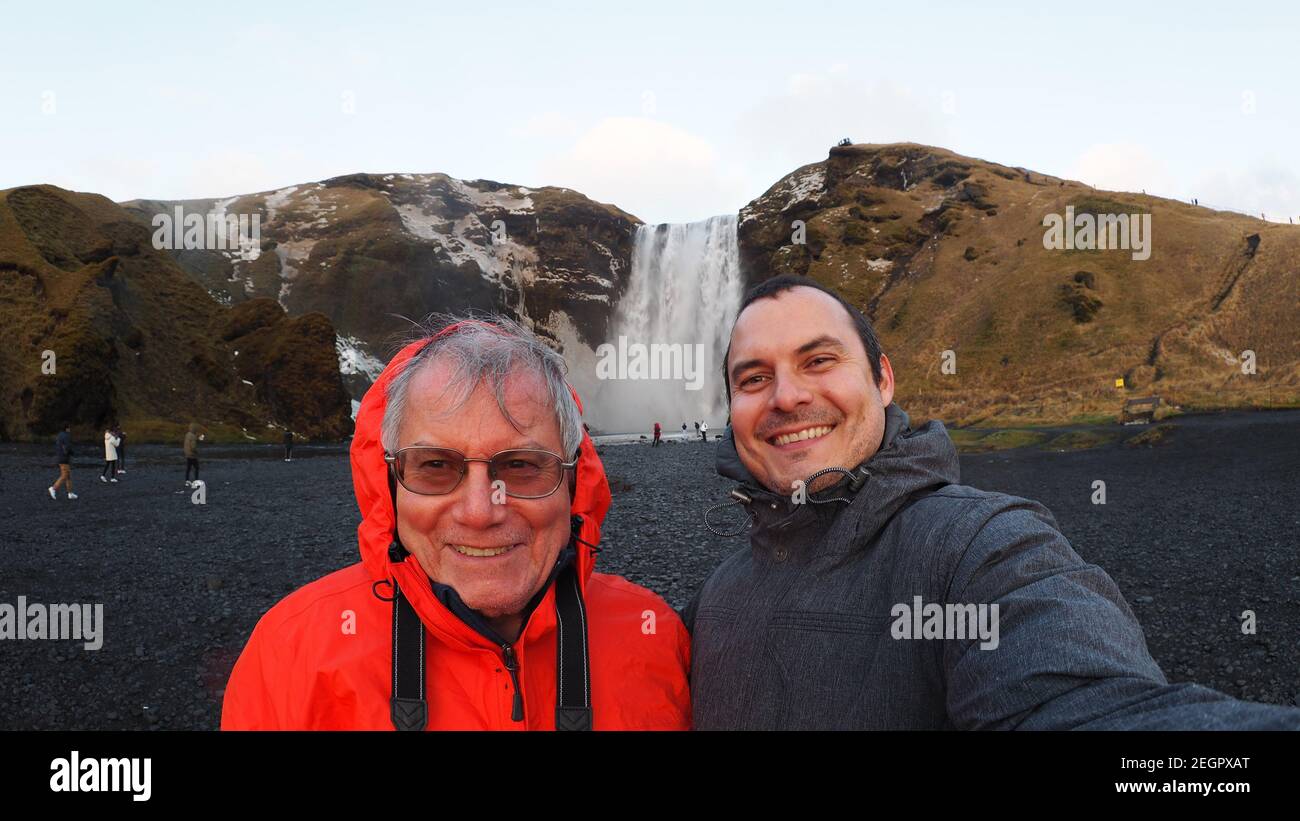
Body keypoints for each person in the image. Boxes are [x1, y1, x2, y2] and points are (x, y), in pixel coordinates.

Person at [683, 275, 1300, 730]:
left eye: (819, 360)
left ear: (883, 378)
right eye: (754, 378)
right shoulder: (715, 595)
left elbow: (1079, 704)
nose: (786, 398)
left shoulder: (984, 547)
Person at [222, 314, 691, 730]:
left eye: (522, 465)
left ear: (573, 480)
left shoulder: (658, 639)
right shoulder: (290, 653)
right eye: (435, 466)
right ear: (388, 483)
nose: (480, 512)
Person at [49, 424, 78, 500]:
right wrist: (73, 453)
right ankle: (53, 488)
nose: (70, 430)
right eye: (69, 428)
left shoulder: (59, 435)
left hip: (60, 457)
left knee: (68, 475)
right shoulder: (66, 436)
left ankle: (70, 493)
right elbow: (68, 447)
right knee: (65, 475)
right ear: (67, 429)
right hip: (64, 458)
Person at [184, 423, 202, 487]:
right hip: (192, 455)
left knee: (188, 468)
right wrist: (197, 452)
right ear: (194, 429)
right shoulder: (193, 436)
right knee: (196, 468)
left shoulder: (188, 434)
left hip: (187, 454)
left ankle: (187, 481)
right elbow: (193, 447)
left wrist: (199, 438)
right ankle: (196, 481)